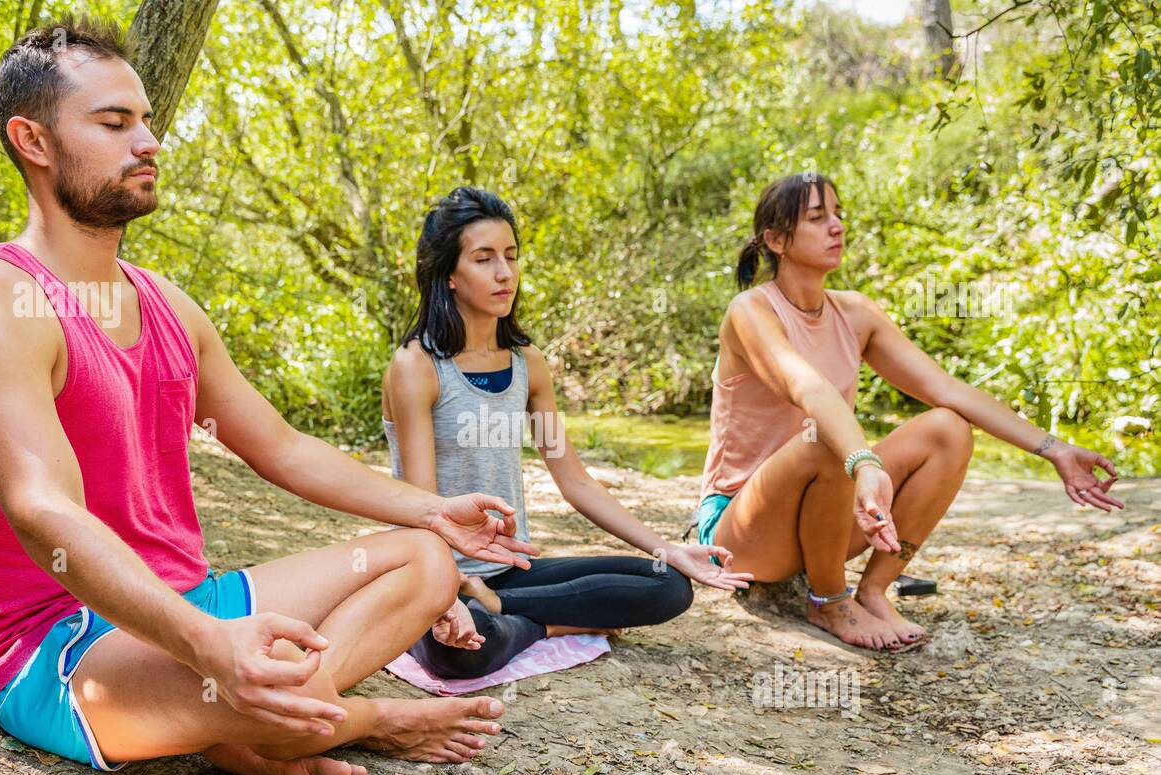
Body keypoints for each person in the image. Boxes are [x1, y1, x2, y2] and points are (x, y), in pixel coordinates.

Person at [0, 18, 540, 775]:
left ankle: (268, 723)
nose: (147, 141)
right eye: (113, 123)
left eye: (146, 120)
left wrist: (435, 511)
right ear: (32, 141)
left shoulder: (170, 305)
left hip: (194, 603)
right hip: (65, 648)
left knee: (423, 559)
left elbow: (280, 447)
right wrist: (210, 647)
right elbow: (42, 511)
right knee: (252, 684)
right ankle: (347, 716)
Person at [697, 172, 1124, 652]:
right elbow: (808, 388)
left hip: (829, 522)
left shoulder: (855, 313)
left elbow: (945, 388)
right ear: (776, 240)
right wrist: (865, 462)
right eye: (818, 218)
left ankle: (874, 590)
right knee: (824, 438)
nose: (837, 227)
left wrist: (1054, 449)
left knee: (948, 428)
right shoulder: (750, 312)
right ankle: (829, 600)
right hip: (745, 531)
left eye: (839, 214)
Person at [382, 187, 752, 680]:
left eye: (511, 257)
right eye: (484, 258)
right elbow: (422, 509)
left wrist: (668, 547)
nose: (504, 273)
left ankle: (504, 606)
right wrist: (446, 592)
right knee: (461, 651)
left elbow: (574, 481)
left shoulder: (526, 364)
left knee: (670, 583)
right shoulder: (417, 368)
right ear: (448, 273)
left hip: (511, 571)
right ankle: (545, 623)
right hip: (432, 573)